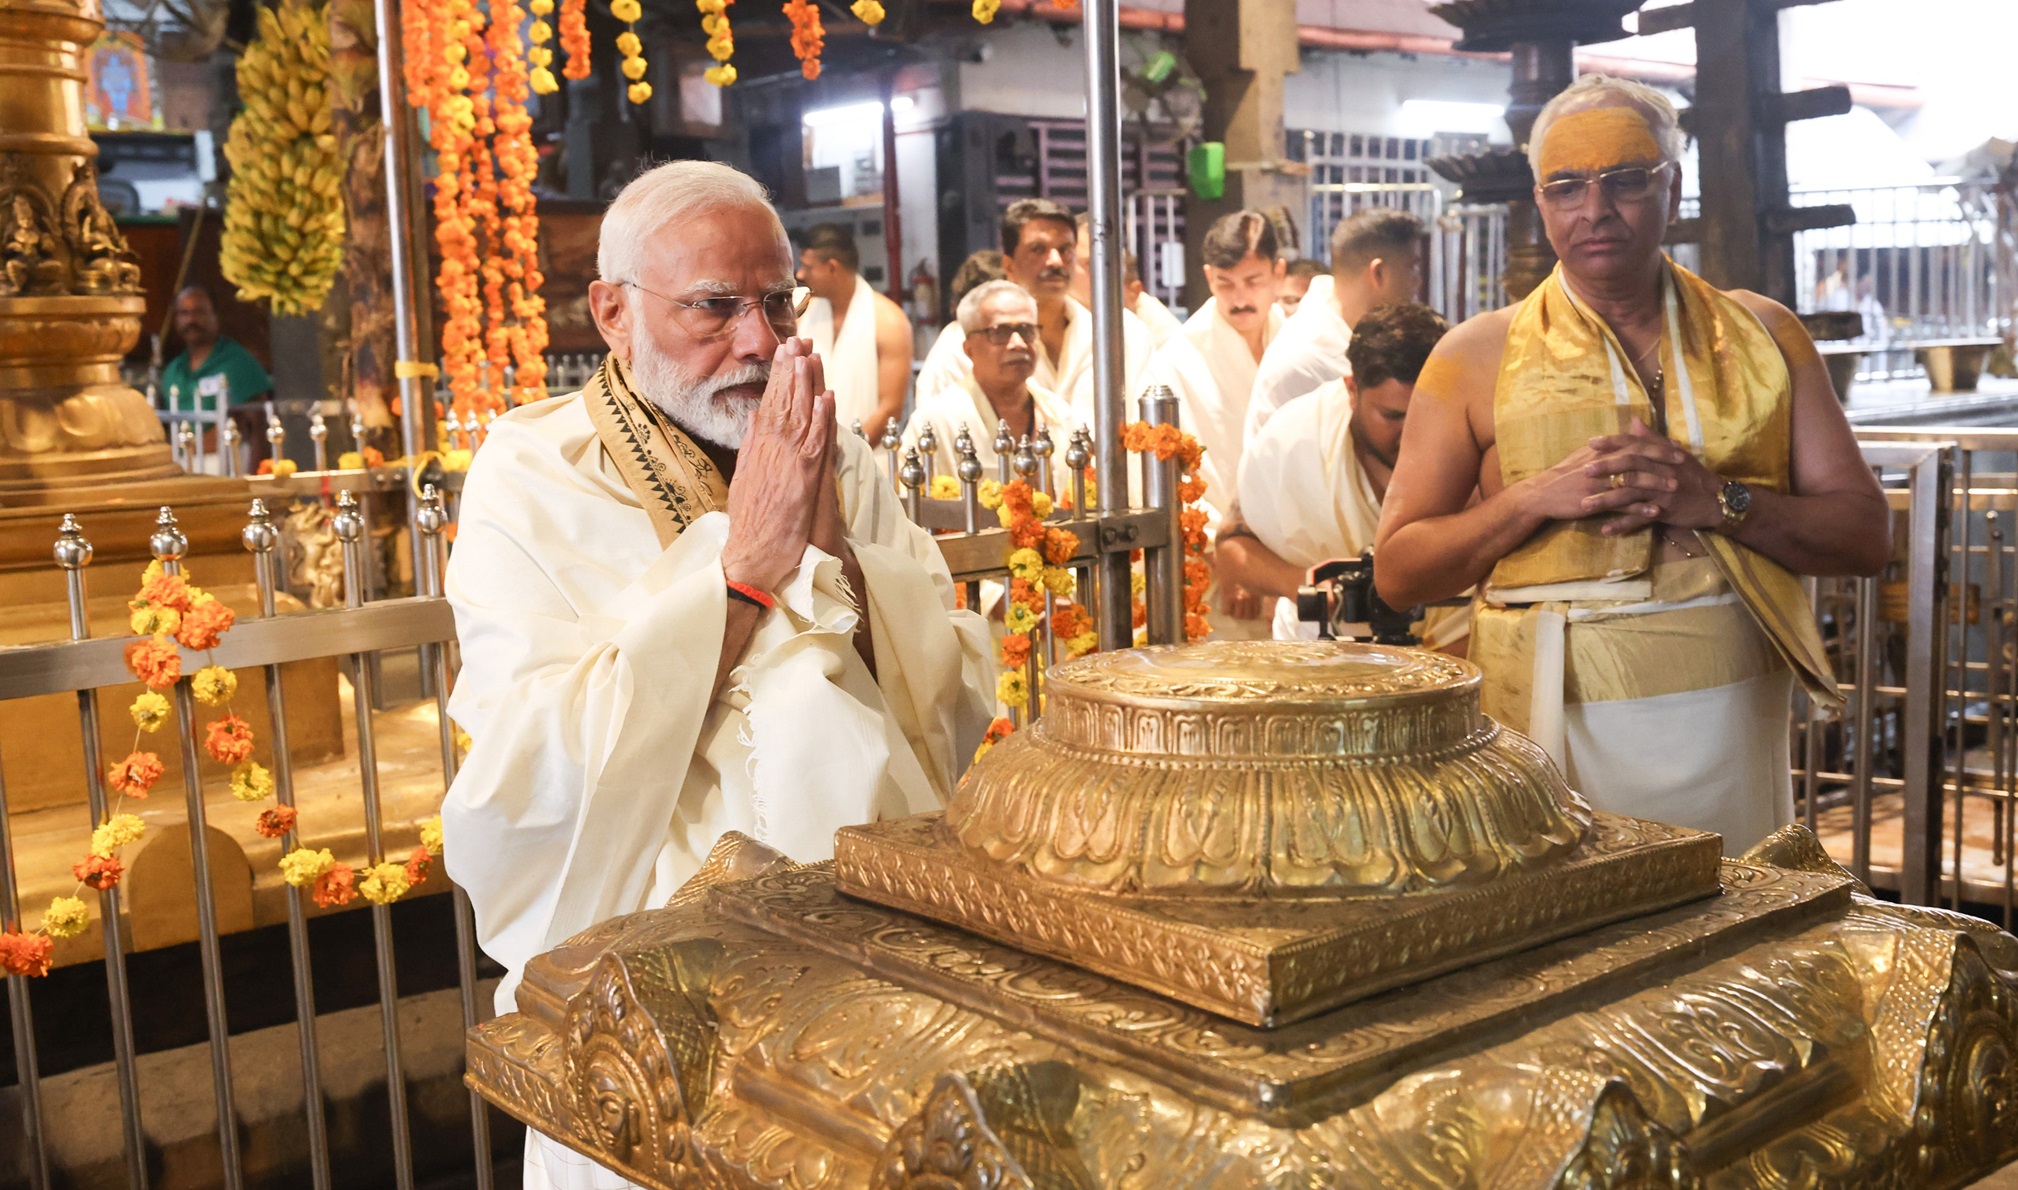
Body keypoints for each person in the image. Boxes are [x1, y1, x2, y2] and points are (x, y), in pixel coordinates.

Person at [441, 161, 993, 1188]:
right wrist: (742, 574)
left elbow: (937, 693)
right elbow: (530, 765)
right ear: (612, 311)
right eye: (714, 306)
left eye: (776, 301)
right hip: (654, 986)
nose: (758, 338)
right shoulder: (532, 477)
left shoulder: (830, 446)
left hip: (872, 960)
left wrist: (831, 556)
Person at [1373, 76, 1890, 856]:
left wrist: (1719, 501)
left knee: (1732, 940)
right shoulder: (1475, 356)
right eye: (1568, 186)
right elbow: (1398, 571)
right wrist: (1532, 501)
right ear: (1541, 201)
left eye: (1625, 181)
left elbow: (1865, 536)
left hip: (1730, 713)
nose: (1595, 210)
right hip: (1550, 724)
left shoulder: (1763, 335)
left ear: (1673, 189)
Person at [1219, 303, 1468, 650]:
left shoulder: (1475, 437)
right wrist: (1298, 582)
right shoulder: (1293, 442)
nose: (1412, 432)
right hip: (1320, 661)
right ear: (1352, 390)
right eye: (1393, 415)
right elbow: (1232, 543)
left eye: (1427, 412)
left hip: (1457, 654)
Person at [1144, 210, 1285, 638]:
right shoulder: (1176, 362)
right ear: (1208, 277)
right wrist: (1230, 555)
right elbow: (1166, 475)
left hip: (1298, 562)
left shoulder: (1298, 344)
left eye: (1253, 281)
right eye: (1225, 284)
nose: (1239, 297)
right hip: (1218, 572)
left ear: (1279, 272)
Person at [915, 198, 1151, 420]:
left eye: (1065, 249)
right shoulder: (964, 343)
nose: (1055, 262)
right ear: (1009, 265)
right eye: (1038, 249)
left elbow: (1144, 428)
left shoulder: (1124, 334)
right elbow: (936, 435)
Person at [1245, 208, 1424, 441]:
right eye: (1412, 268)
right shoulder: (1305, 357)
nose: (1417, 282)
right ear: (1378, 273)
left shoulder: (1361, 333)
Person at [904, 279, 1078, 490]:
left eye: (1026, 330)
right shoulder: (936, 421)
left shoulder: (1059, 414)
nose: (1018, 343)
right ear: (969, 349)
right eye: (1000, 332)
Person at [795, 222, 914, 435]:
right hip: (812, 455)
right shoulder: (803, 315)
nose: (801, 274)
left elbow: (890, 409)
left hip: (870, 458)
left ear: (832, 267)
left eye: (808, 266)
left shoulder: (889, 321)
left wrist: (849, 456)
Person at [1070, 212, 1183, 350]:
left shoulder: (1153, 325)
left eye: (1108, 265)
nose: (1102, 276)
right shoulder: (1051, 308)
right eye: (1090, 264)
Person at [160, 285, 272, 413]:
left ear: (215, 316)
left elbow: (258, 422)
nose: (191, 320)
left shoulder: (239, 362)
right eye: (184, 313)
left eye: (199, 312)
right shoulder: (172, 371)